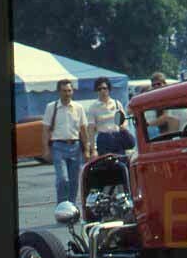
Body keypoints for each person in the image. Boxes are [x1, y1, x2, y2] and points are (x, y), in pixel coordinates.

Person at [42, 79, 89, 207]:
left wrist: (87, 149)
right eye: (64, 91)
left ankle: (71, 207)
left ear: (72, 91)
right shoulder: (51, 107)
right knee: (63, 179)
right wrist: (46, 149)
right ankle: (62, 207)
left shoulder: (78, 108)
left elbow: (83, 130)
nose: (67, 93)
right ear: (59, 92)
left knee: (74, 181)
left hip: (75, 146)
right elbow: (45, 130)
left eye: (69, 90)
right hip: (58, 147)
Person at [87, 77, 133, 156]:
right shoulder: (93, 107)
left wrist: (123, 127)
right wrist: (93, 149)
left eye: (104, 88)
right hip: (103, 139)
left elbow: (124, 120)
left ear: (109, 89)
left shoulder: (116, 104)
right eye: (99, 89)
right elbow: (91, 129)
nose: (102, 91)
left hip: (117, 136)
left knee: (121, 160)